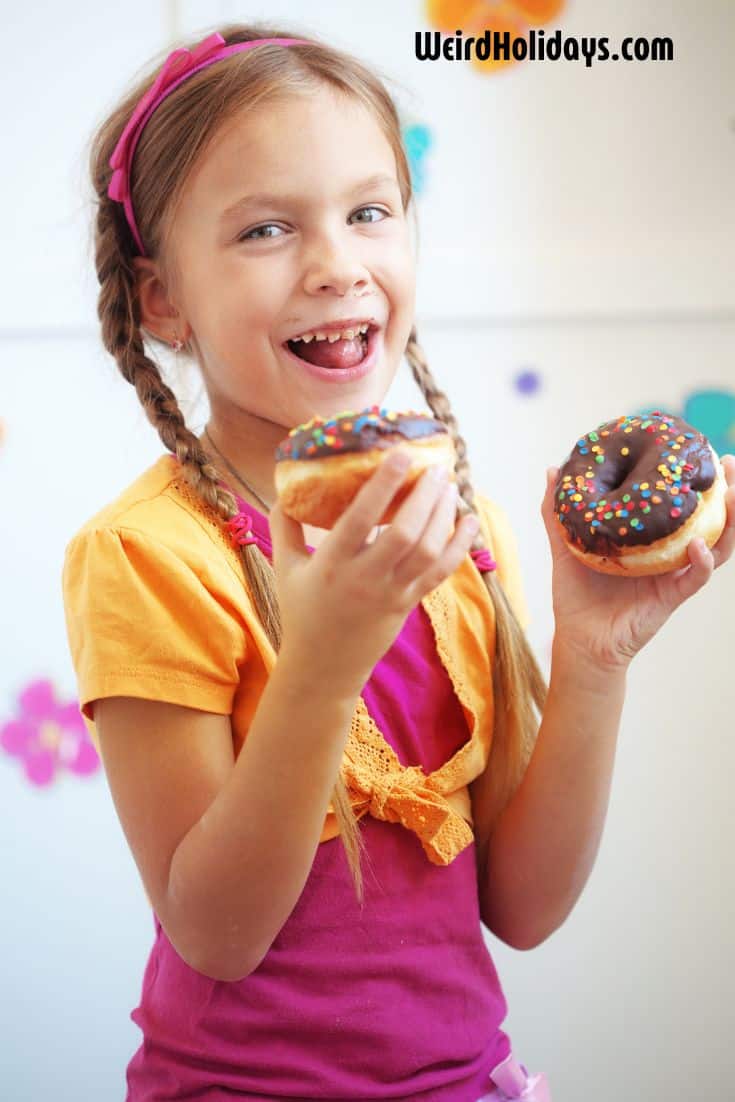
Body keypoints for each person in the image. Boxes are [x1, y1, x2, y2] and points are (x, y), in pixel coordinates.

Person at [61, 22, 735, 1102]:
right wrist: (322, 664)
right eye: (266, 229)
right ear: (162, 300)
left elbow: (523, 908)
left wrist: (594, 661)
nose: (337, 264)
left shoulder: (461, 540)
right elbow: (216, 933)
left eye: (370, 212)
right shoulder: (148, 555)